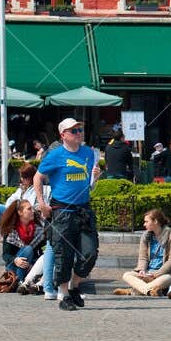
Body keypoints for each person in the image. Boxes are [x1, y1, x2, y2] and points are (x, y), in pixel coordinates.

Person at [33, 118, 101, 312]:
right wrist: (42, 203)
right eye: (73, 131)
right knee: (64, 254)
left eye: (79, 129)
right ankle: (63, 294)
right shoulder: (55, 156)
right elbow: (38, 177)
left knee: (90, 252)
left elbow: (89, 185)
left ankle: (74, 287)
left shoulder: (88, 153)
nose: (78, 133)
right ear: (63, 135)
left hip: (83, 209)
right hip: (62, 211)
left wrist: (94, 179)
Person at [117, 209, 171, 296]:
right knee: (126, 275)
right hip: (147, 273)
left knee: (167, 278)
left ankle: (133, 291)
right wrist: (142, 270)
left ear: (155, 221)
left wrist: (155, 274)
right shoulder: (145, 236)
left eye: (146, 221)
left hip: (164, 274)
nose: (144, 224)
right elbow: (143, 257)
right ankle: (149, 291)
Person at [0, 199, 46, 283]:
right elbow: (5, 255)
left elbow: (42, 251)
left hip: (30, 265)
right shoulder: (11, 231)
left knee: (42, 259)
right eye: (29, 209)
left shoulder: (38, 230)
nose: (33, 211)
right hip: (13, 267)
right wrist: (16, 260)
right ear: (20, 212)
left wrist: (35, 265)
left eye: (32, 209)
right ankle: (20, 280)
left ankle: (21, 281)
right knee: (27, 249)